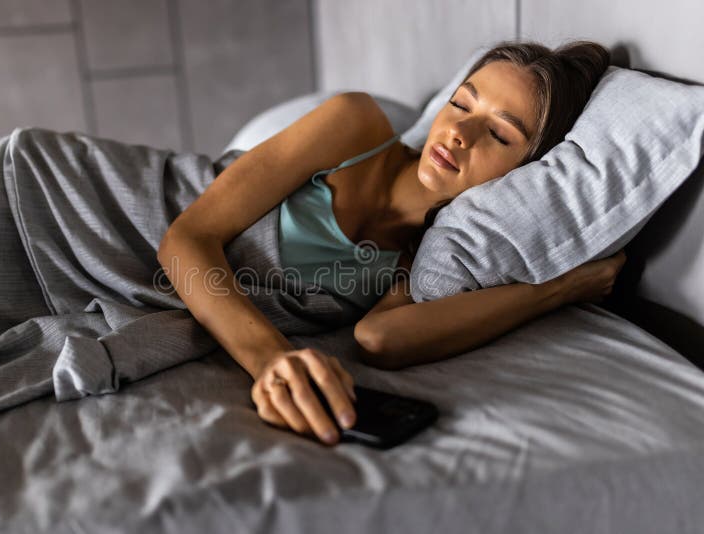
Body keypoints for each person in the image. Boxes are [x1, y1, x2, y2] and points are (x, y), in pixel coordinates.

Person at [156, 39, 625, 446]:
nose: (459, 133)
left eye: (498, 133)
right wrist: (272, 361)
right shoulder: (355, 124)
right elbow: (188, 238)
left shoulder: (418, 258)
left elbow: (380, 340)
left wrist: (557, 290)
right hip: (121, 202)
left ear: (526, 178)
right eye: (461, 104)